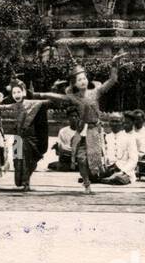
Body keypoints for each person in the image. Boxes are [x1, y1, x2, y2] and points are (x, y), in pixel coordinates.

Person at [40, 53, 127, 194]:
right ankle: (86, 183)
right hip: (82, 130)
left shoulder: (96, 92)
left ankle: (94, 178)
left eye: (84, 78)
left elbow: (112, 80)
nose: (83, 81)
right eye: (79, 79)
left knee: (95, 161)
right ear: (74, 83)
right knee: (80, 159)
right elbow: (59, 97)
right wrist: (41, 94)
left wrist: (114, 64)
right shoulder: (73, 97)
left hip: (95, 130)